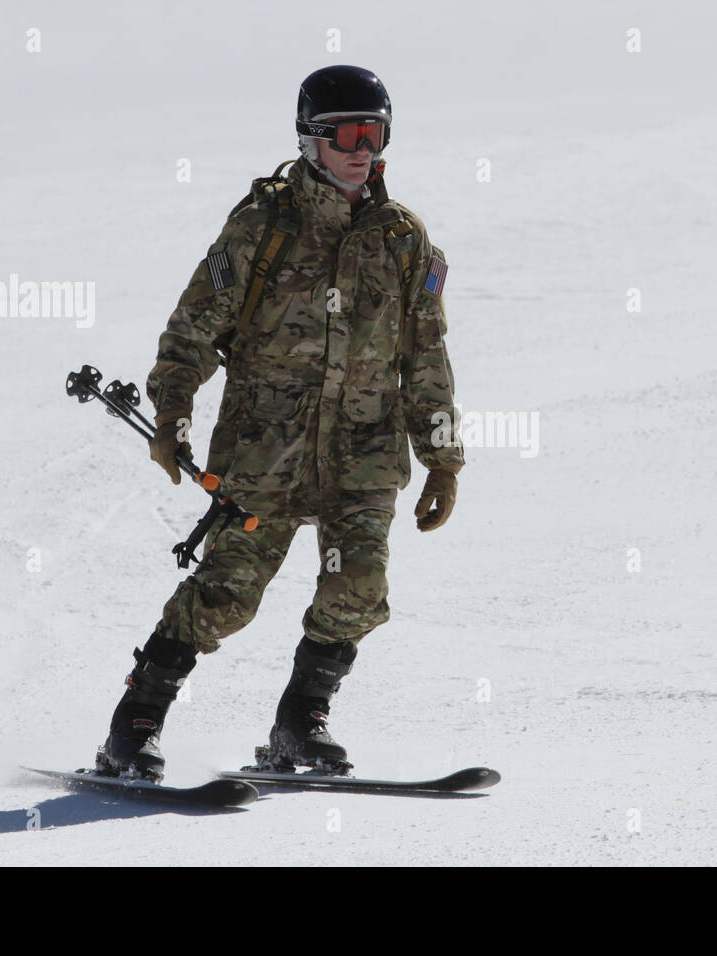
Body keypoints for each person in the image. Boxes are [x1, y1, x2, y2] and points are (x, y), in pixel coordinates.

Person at [96, 65, 465, 780]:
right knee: (227, 595)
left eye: (374, 132)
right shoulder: (263, 226)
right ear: (310, 141)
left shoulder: (401, 239)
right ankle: (134, 723)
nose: (362, 148)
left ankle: (302, 722)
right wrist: (173, 410)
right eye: (346, 134)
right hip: (267, 451)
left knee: (356, 586)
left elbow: (426, 355)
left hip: (363, 454)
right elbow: (194, 328)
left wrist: (443, 456)